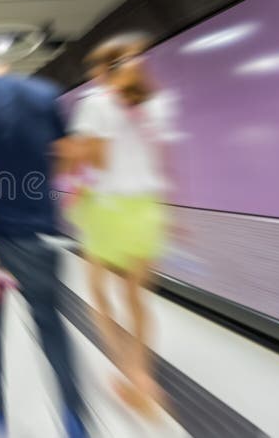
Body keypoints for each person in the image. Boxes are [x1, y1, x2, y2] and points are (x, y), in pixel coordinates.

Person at [0, 43, 88, 437]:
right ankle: (75, 419)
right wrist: (36, 187)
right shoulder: (45, 93)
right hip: (43, 236)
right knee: (52, 328)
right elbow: (69, 155)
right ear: (3, 65)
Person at [65, 32, 174, 416]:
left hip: (109, 207)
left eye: (95, 68)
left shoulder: (94, 103)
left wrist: (76, 185)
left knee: (98, 290)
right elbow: (163, 160)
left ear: (102, 70)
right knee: (137, 297)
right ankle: (145, 373)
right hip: (148, 208)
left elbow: (95, 164)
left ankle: (129, 374)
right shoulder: (158, 102)